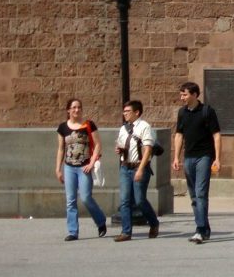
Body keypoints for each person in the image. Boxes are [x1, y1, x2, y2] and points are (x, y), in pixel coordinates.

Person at [173, 82, 221, 244]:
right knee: (194, 196)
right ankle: (204, 228)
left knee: (200, 193)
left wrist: (217, 158)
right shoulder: (182, 113)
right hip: (188, 157)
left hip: (204, 157)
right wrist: (176, 157)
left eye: (185, 94)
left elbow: (216, 135)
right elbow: (179, 135)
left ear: (194, 95)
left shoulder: (207, 111)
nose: (182, 98)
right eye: (181, 94)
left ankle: (200, 229)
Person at [55, 98, 107, 241]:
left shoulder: (88, 125)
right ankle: (73, 231)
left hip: (84, 167)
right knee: (70, 201)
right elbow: (61, 149)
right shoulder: (62, 127)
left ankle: (100, 221)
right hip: (69, 167)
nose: (76, 110)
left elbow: (98, 145)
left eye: (79, 107)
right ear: (68, 110)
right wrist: (58, 169)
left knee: (85, 198)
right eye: (73, 107)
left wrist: (91, 163)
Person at [113, 99, 161, 241]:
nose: (125, 114)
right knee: (125, 201)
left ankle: (154, 223)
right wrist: (119, 150)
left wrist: (140, 169)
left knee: (140, 200)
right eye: (124, 111)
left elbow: (148, 150)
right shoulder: (123, 128)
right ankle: (126, 232)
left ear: (137, 112)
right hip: (125, 167)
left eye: (128, 111)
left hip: (139, 167)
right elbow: (122, 145)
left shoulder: (144, 127)